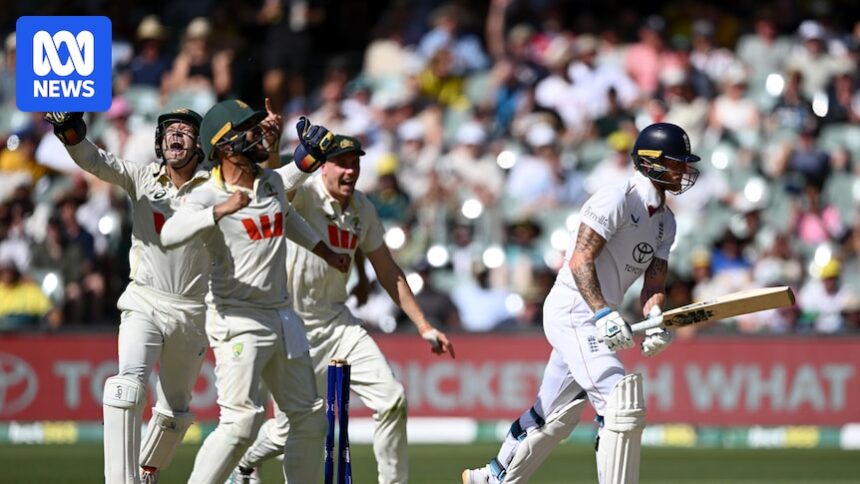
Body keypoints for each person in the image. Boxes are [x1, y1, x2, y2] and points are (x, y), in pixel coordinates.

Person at [462, 122, 701, 484]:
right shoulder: (618, 197)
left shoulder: (666, 222)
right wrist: (603, 312)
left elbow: (654, 279)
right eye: (676, 162)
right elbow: (579, 260)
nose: (683, 170)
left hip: (597, 317)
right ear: (651, 162)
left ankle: (491, 478)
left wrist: (654, 316)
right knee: (620, 402)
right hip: (575, 311)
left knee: (553, 416)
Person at [229, 134, 455, 484]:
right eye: (343, 163)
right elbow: (274, 189)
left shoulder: (362, 207)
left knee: (392, 399)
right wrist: (274, 149)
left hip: (338, 322)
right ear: (323, 166)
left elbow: (388, 269)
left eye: (356, 163)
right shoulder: (304, 193)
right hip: (291, 327)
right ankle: (246, 460)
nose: (351, 171)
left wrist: (424, 326)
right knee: (295, 429)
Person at [158, 99, 350, 484]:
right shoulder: (207, 194)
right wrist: (219, 211)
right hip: (238, 319)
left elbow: (287, 214)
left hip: (282, 315)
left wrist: (324, 250)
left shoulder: (269, 182)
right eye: (248, 128)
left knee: (310, 416)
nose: (258, 132)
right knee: (241, 423)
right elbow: (169, 234)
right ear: (225, 144)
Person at [44, 108, 212, 483]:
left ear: (199, 144)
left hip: (193, 311)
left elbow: (267, 186)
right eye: (169, 130)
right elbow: (94, 160)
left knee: (173, 414)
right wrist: (69, 129)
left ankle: (146, 470)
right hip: (144, 301)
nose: (175, 136)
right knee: (125, 385)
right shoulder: (142, 177)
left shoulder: (215, 187)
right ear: (159, 140)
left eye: (185, 131)